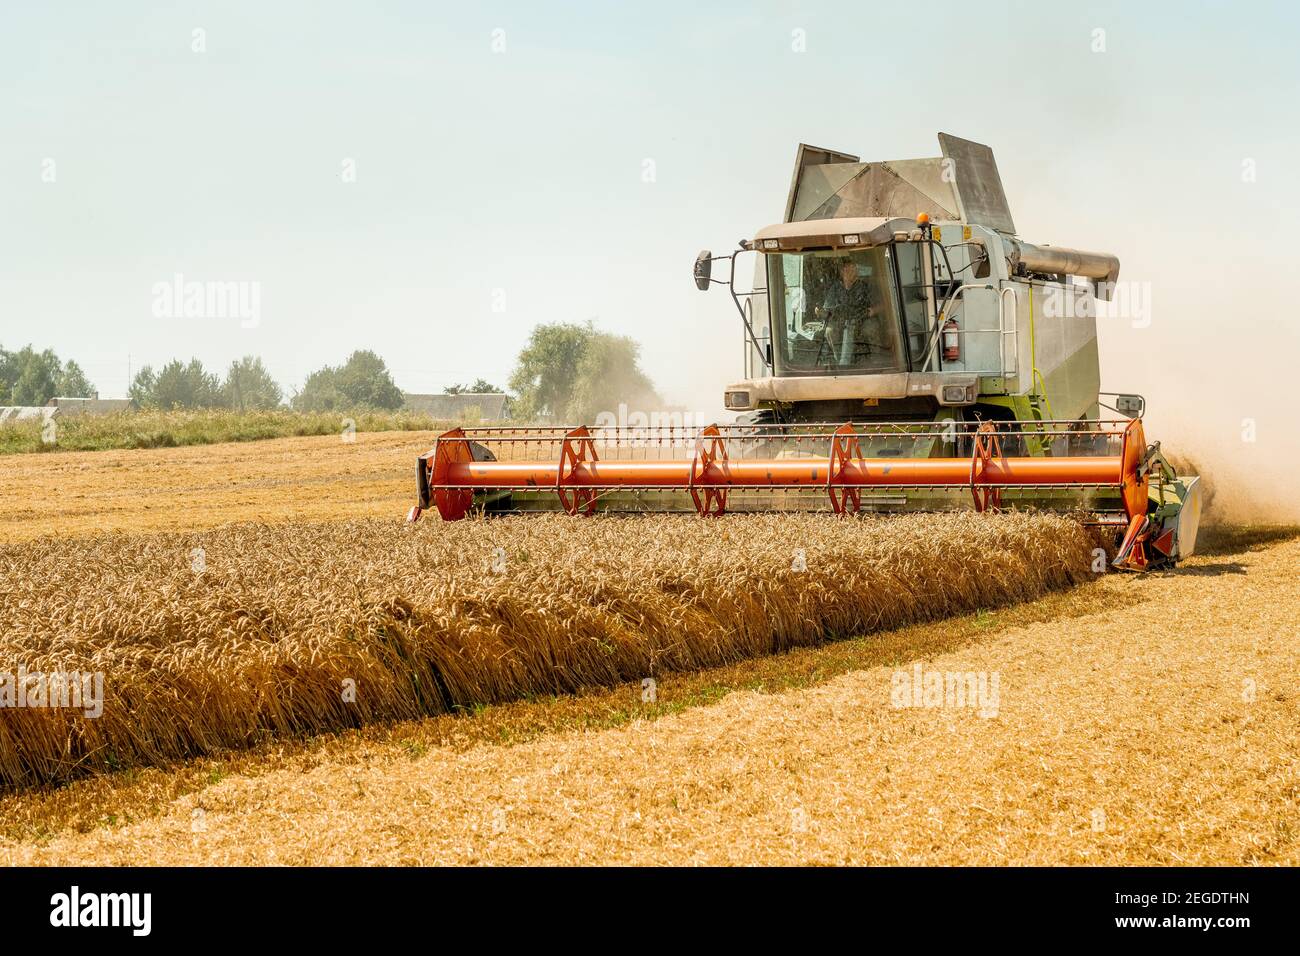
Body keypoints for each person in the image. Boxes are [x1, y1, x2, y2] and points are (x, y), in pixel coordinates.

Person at [818, 259, 880, 366]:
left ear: (857, 272)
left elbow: (882, 305)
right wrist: (821, 312)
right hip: (840, 320)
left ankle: (876, 359)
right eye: (847, 270)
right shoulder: (836, 288)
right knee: (829, 331)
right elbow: (826, 309)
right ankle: (840, 362)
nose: (850, 273)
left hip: (862, 319)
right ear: (842, 272)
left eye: (853, 270)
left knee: (872, 328)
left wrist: (873, 311)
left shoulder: (864, 286)